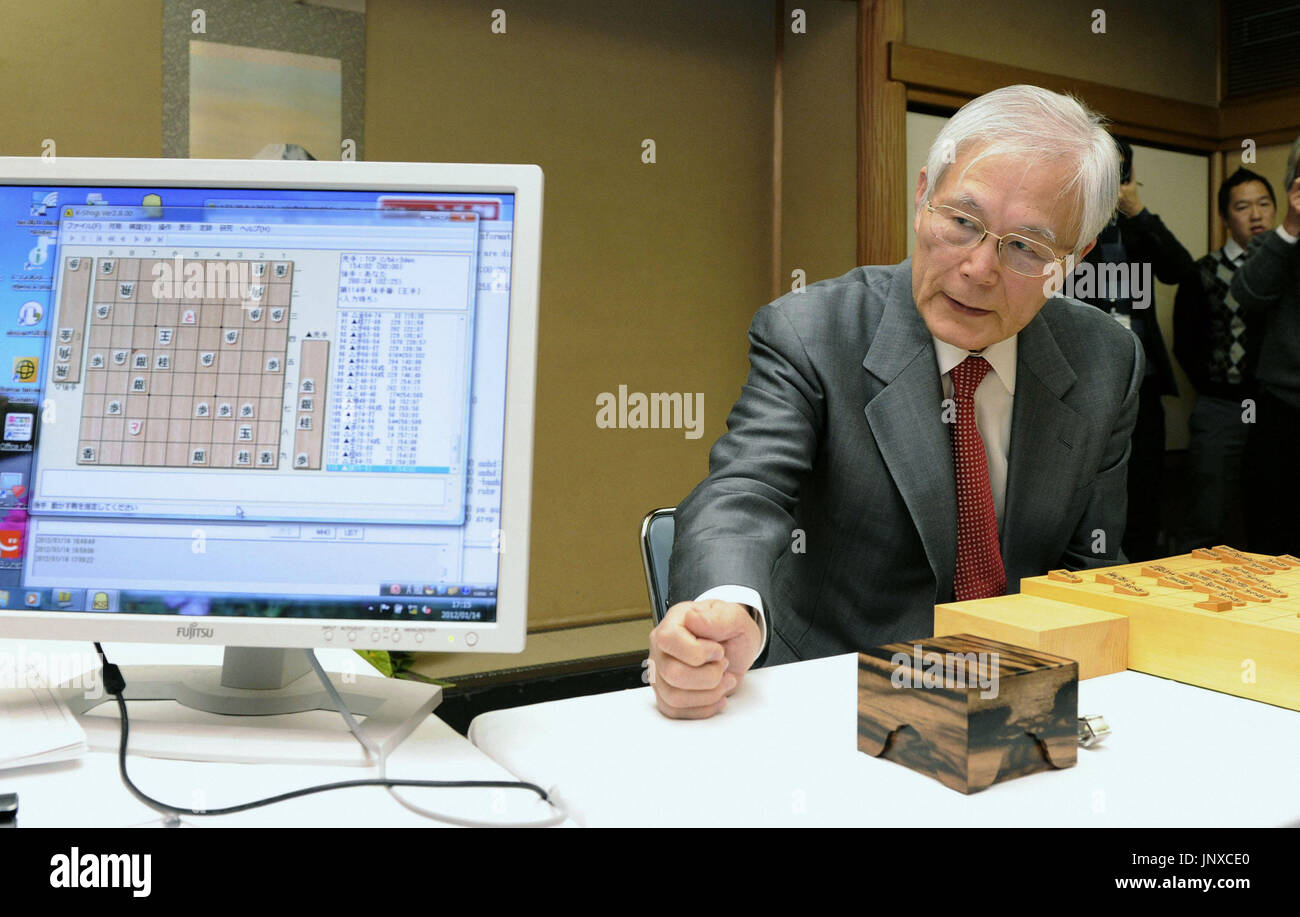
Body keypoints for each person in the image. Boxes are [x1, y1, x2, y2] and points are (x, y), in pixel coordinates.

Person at [648, 84, 1142, 719]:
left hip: (1018, 701)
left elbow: (1089, 567)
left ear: (1073, 262)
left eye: (1026, 247)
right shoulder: (813, 332)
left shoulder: (1106, 359)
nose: (979, 268)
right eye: (962, 222)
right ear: (920, 200)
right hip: (836, 693)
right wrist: (726, 606)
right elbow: (743, 493)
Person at [1071, 140, 1194, 560]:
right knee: (1088, 489)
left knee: (1145, 487)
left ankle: (1140, 564)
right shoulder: (1072, 222)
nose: (1115, 183)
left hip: (1143, 380)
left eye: (1121, 173)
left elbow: (1181, 271)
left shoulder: (1138, 226)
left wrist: (1137, 213)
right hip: (1084, 381)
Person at [1172, 168, 1276, 551]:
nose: (1256, 215)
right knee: (1207, 516)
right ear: (1226, 216)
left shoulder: (1287, 269)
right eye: (1243, 206)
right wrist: (1216, 387)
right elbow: (1186, 343)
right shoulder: (1203, 272)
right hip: (1222, 407)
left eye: (1264, 204)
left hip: (1277, 408)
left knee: (1272, 513)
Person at [1230, 137, 1300, 555]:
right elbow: (1248, 293)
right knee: (1276, 539)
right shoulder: (1274, 243)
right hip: (1282, 410)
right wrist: (1290, 228)